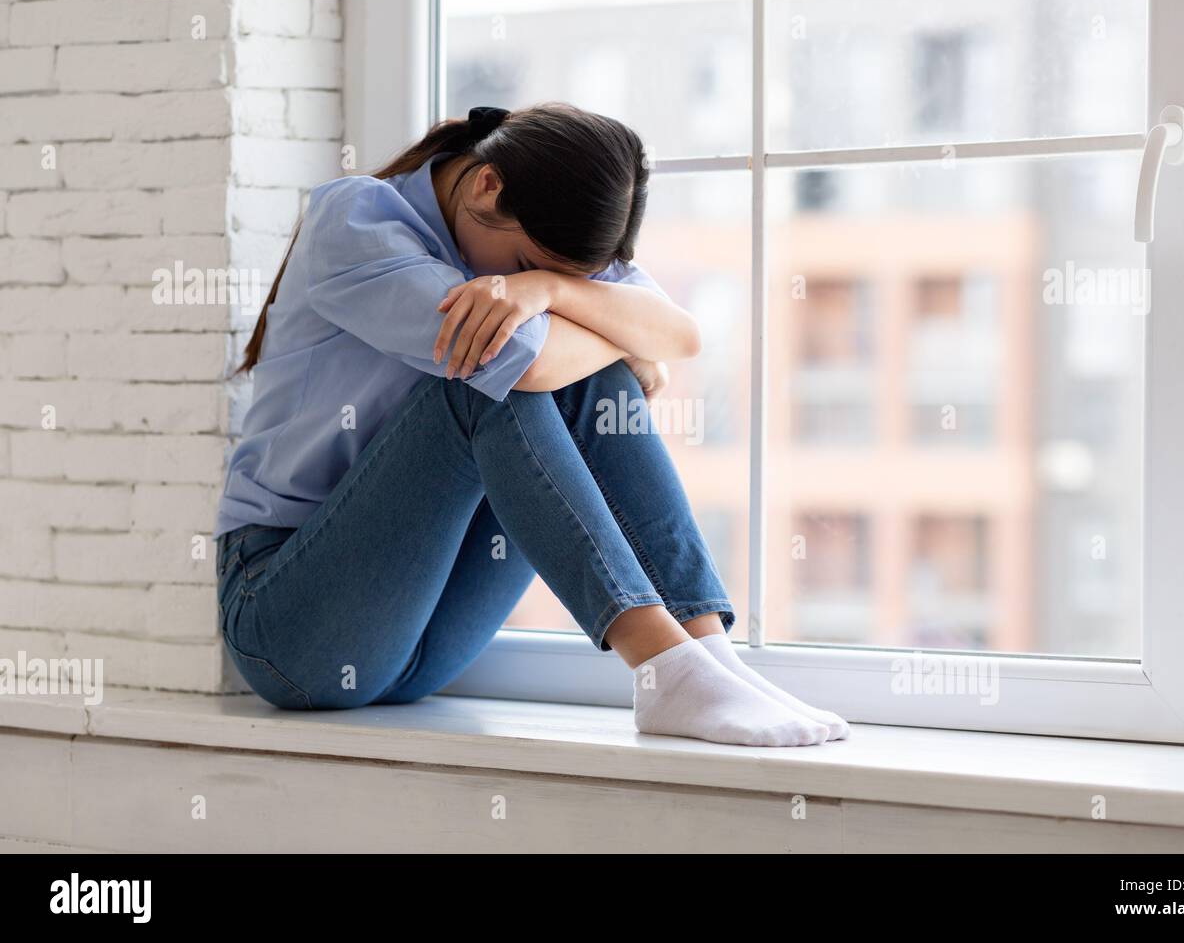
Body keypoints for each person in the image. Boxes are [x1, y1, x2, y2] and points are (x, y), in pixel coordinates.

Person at [214, 102, 849, 746]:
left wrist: (556, 290)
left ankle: (709, 658)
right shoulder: (357, 219)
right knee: (487, 383)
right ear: (488, 184)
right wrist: (619, 338)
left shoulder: (549, 244)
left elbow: (681, 335)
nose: (523, 283)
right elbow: (527, 364)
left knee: (588, 379)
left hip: (421, 642)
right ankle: (664, 668)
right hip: (290, 625)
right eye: (525, 266)